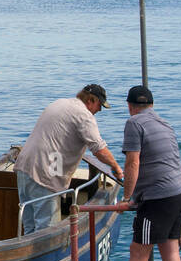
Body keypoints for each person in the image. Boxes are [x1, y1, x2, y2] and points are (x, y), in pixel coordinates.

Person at [97, 85, 181, 261]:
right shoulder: (165, 123)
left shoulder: (134, 123)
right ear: (152, 105)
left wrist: (128, 198)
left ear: (130, 106)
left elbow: (133, 162)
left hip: (157, 199)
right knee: (170, 248)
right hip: (179, 192)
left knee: (139, 251)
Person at [15, 85, 123, 234]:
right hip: (44, 173)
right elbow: (99, 149)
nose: (99, 110)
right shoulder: (84, 115)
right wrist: (116, 167)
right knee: (45, 231)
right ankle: (49, 258)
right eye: (100, 105)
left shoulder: (60, 103)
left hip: (24, 167)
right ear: (91, 100)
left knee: (29, 228)